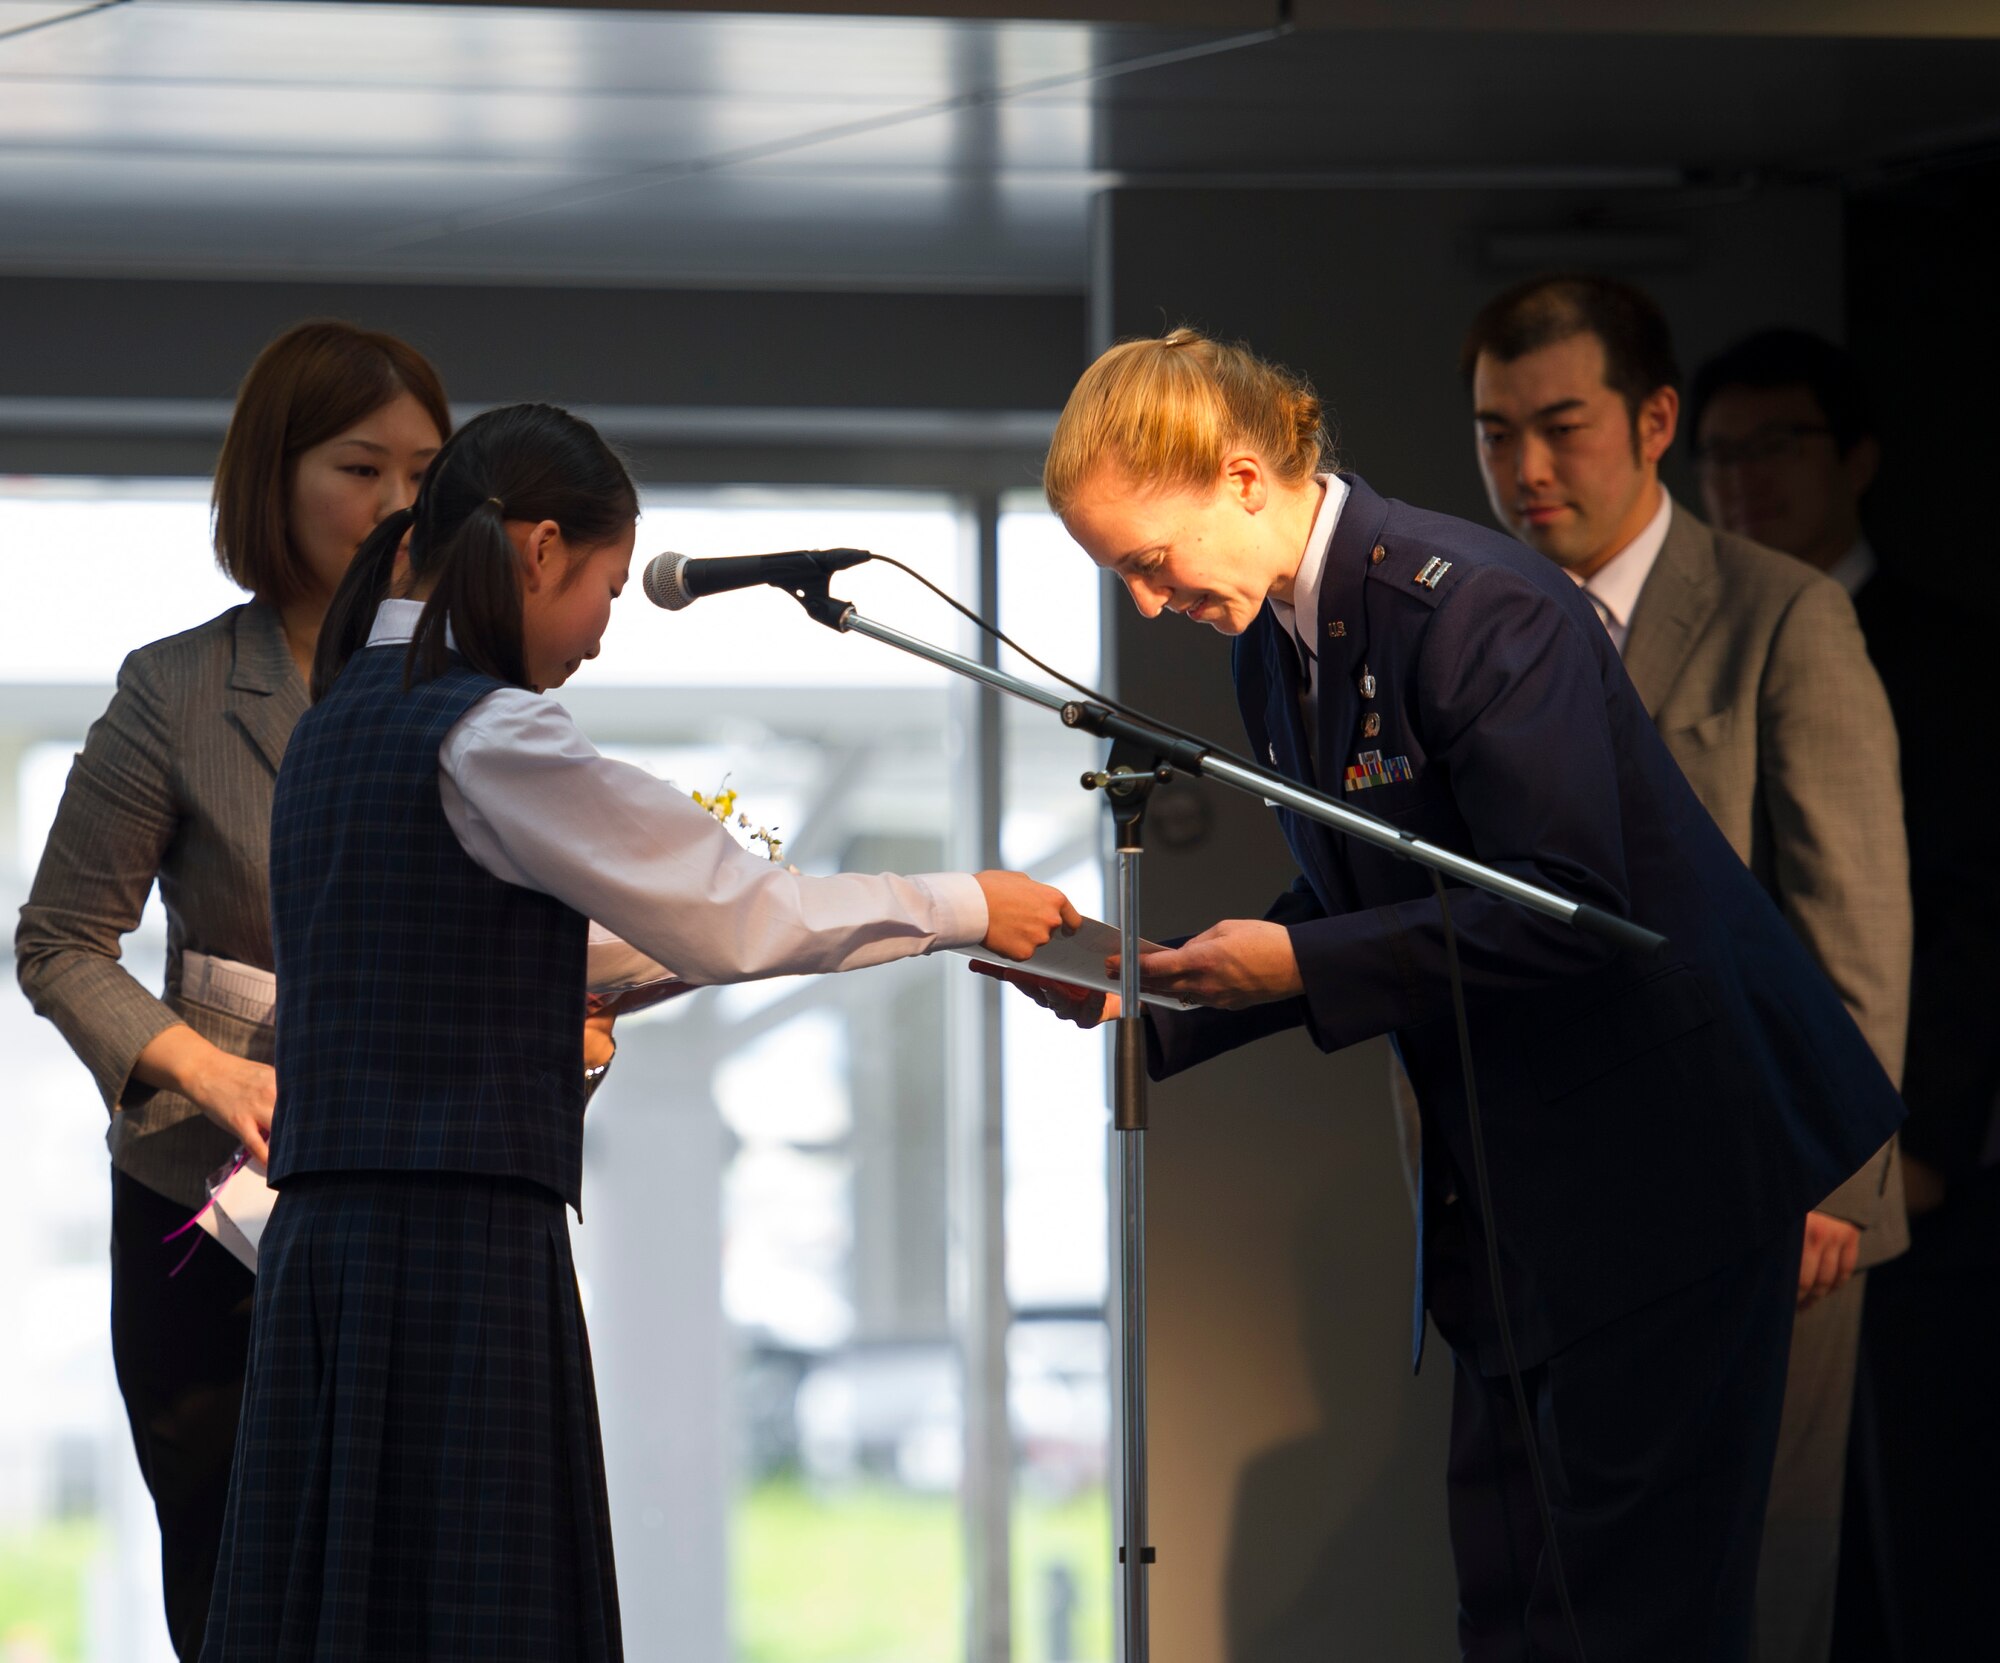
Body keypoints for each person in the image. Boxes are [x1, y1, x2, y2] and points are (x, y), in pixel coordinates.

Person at [996, 327, 1903, 1662]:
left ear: (1246, 481)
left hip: (1662, 1177)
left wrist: (1299, 963)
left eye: (1149, 560)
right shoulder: (1278, 640)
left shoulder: (1471, 603)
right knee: (1511, 1595)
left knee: (1636, 1614)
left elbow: (1573, 907)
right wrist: (1170, 986)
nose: (1144, 604)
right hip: (1520, 1193)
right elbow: (1380, 885)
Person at [198, 401, 1077, 1660]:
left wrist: (613, 976)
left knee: (351, 1614)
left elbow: (497, 933)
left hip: (335, 1251)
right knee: (472, 1619)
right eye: (605, 588)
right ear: (541, 549)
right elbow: (737, 912)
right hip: (454, 1244)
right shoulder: (491, 729)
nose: (603, 634)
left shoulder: (338, 723)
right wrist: (960, 905)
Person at [1463, 280, 1910, 1663]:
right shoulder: (1476, 620)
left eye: (1561, 425)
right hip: (1551, 1195)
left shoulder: (1778, 614)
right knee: (1562, 1589)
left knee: (1753, 1583)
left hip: (1764, 1189)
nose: (1528, 469)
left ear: (1655, 422)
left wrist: (1832, 1172)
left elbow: (1854, 911)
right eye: (1493, 431)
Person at [15, 319, 451, 1659]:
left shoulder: (479, 686)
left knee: (417, 1583)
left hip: (418, 1197)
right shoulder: (178, 688)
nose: (397, 506)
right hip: (202, 1204)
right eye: (360, 468)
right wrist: (206, 1070)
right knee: (235, 1586)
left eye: (427, 475)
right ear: (274, 476)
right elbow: (61, 940)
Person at [1690, 328, 2000, 1662]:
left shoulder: (1946, 656)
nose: (1747, 478)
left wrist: (1919, 1138)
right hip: (1749, 1164)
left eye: (1779, 444)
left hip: (1912, 1160)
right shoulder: (1697, 644)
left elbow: (1971, 911)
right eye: (1721, 453)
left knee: (1919, 1524)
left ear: (1856, 458)